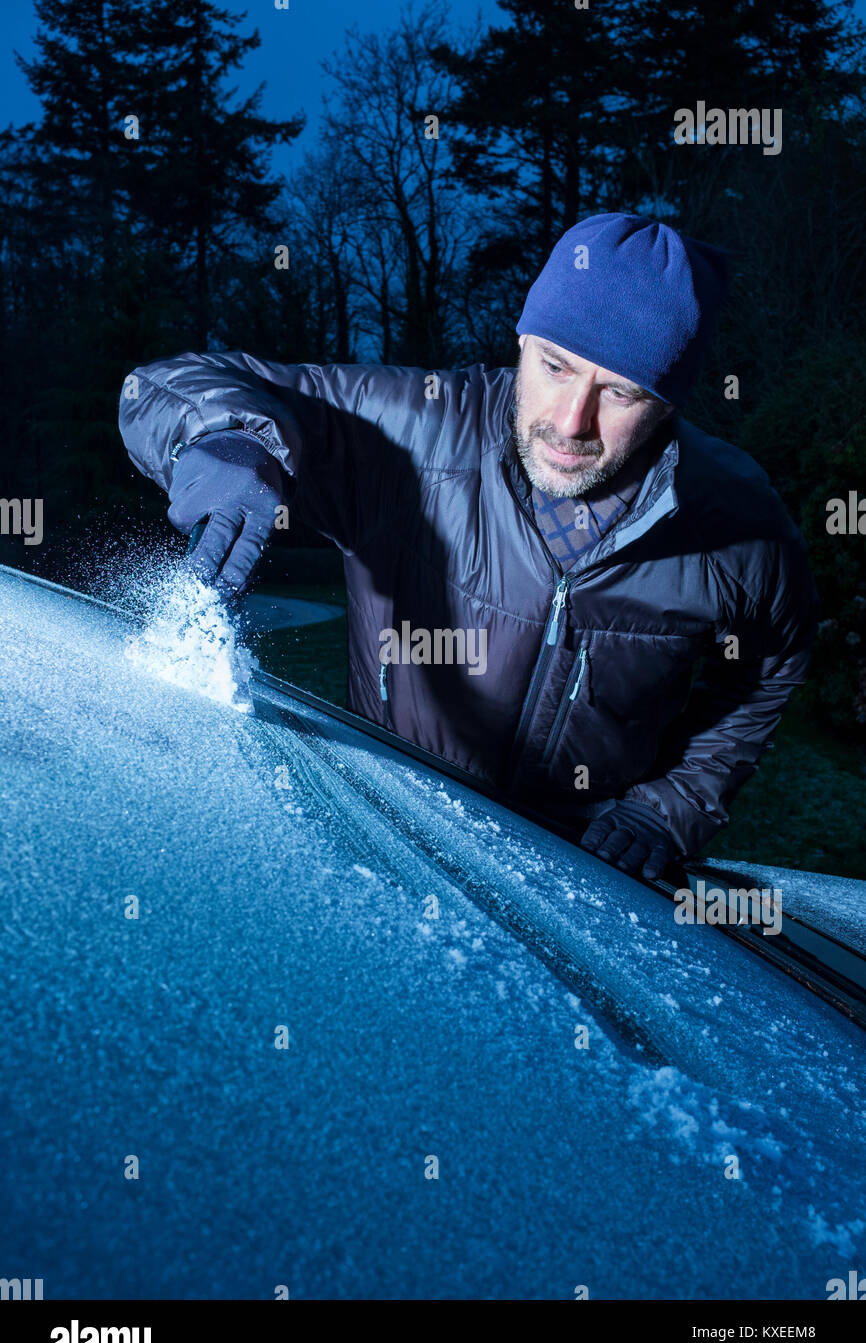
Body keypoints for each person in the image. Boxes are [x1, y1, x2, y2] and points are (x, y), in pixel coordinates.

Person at [118, 212, 817, 879]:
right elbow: (161, 385)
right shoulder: (412, 434)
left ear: (668, 404)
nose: (571, 422)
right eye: (555, 365)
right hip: (389, 826)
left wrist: (667, 811)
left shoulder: (736, 523)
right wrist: (237, 439)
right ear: (520, 340)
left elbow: (771, 667)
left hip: (579, 875)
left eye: (622, 394)